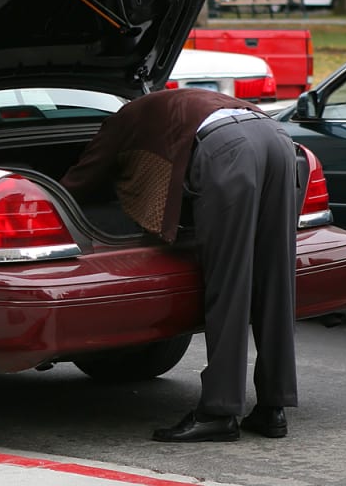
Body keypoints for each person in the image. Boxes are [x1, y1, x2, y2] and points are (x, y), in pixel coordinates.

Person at [59, 87, 298, 442]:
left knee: (230, 282)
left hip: (228, 149)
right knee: (276, 278)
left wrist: (52, 197)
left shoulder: (120, 121)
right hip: (277, 138)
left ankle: (219, 411)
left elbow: (85, 176)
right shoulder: (181, 101)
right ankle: (273, 408)